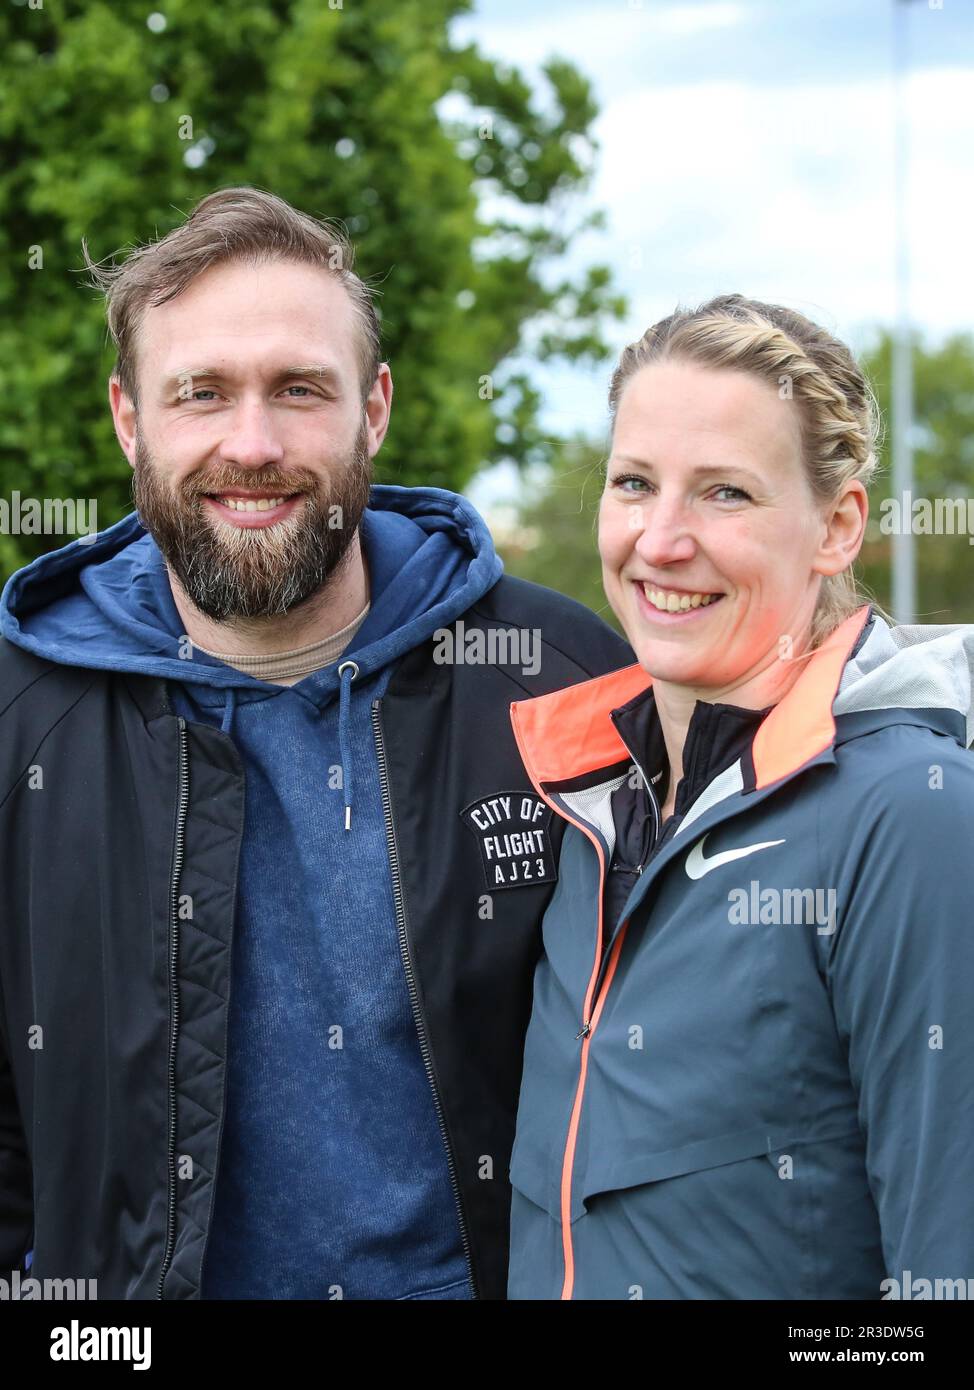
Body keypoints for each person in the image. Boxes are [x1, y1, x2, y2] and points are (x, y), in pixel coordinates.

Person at [0, 186, 632, 1300]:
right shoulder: (22, 711)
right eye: (200, 393)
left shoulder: (562, 672)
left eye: (299, 388)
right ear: (127, 418)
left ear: (373, 409)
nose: (253, 444)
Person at [506, 294, 974, 1300]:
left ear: (836, 527)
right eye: (633, 483)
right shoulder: (579, 800)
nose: (661, 540)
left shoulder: (913, 814)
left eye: (724, 494)